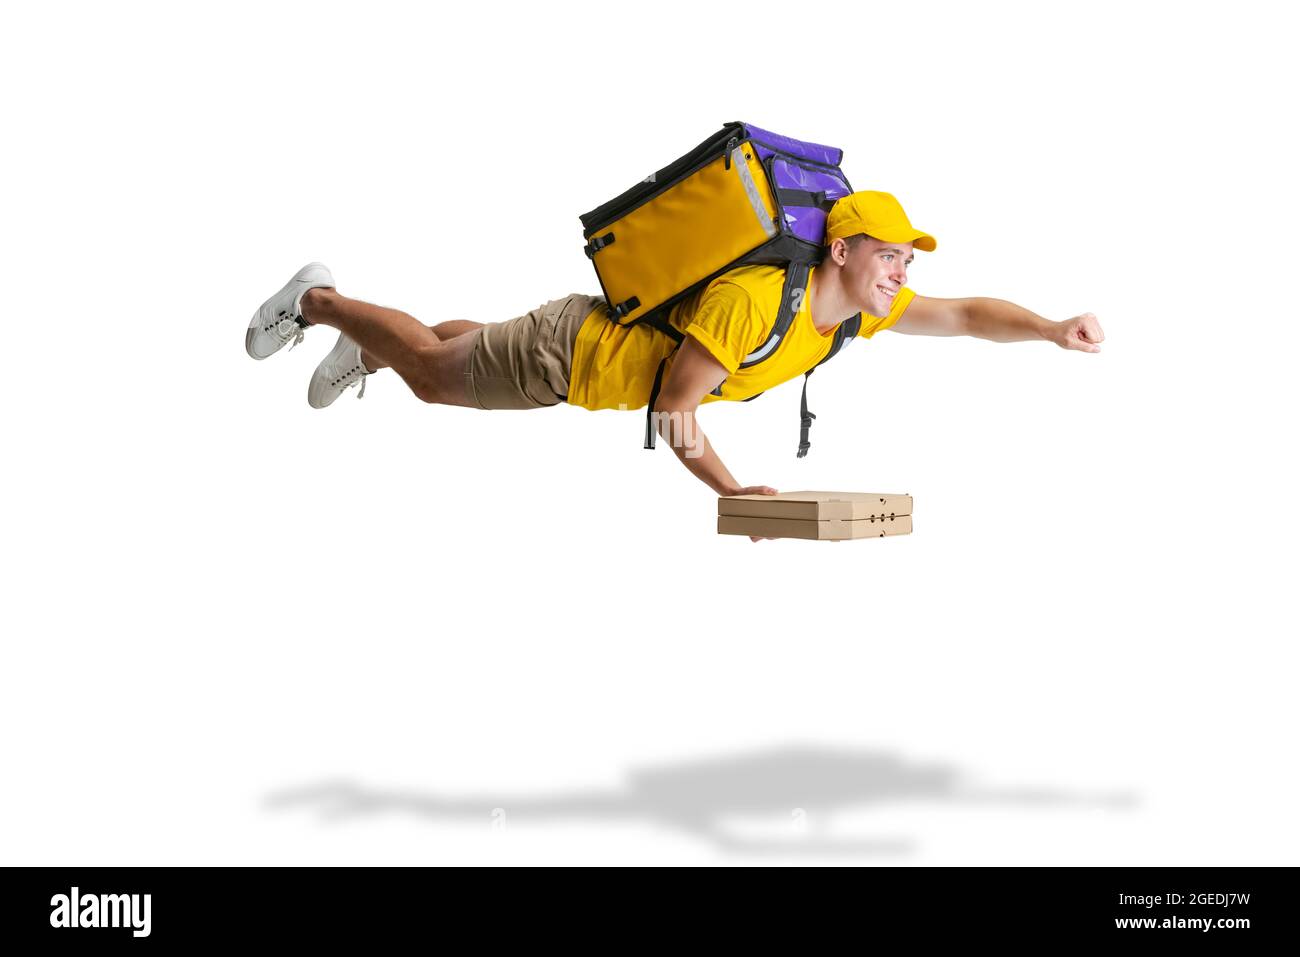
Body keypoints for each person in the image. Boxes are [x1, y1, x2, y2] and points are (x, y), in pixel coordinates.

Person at [245, 191, 1104, 502]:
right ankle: (323, 302)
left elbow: (960, 315)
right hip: (570, 357)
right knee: (435, 379)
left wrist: (1048, 328)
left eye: (907, 260)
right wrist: (737, 494)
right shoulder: (754, 303)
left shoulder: (849, 310)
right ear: (842, 252)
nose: (901, 273)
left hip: (577, 347)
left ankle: (365, 346)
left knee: (467, 348)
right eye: (890, 257)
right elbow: (674, 407)